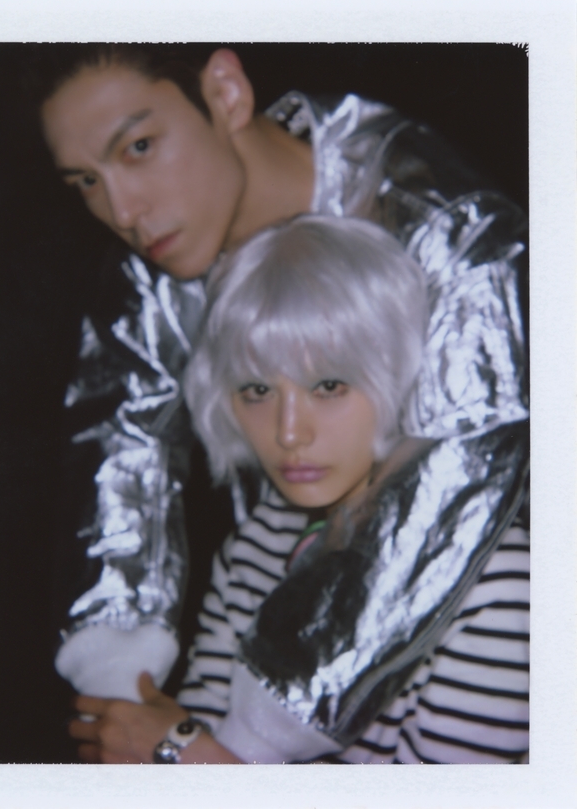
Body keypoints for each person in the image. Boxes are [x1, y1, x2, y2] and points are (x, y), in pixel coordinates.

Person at [32, 43, 528, 735]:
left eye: (139, 147)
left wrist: (244, 742)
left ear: (226, 92)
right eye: (86, 180)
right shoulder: (159, 258)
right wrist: (120, 686)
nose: (122, 209)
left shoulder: (449, 230)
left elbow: (455, 480)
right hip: (267, 591)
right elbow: (122, 442)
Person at [68, 215, 529, 764]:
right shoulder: (261, 538)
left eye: (328, 385)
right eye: (257, 390)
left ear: (404, 376)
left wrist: (179, 754)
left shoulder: (499, 581)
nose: (289, 432)